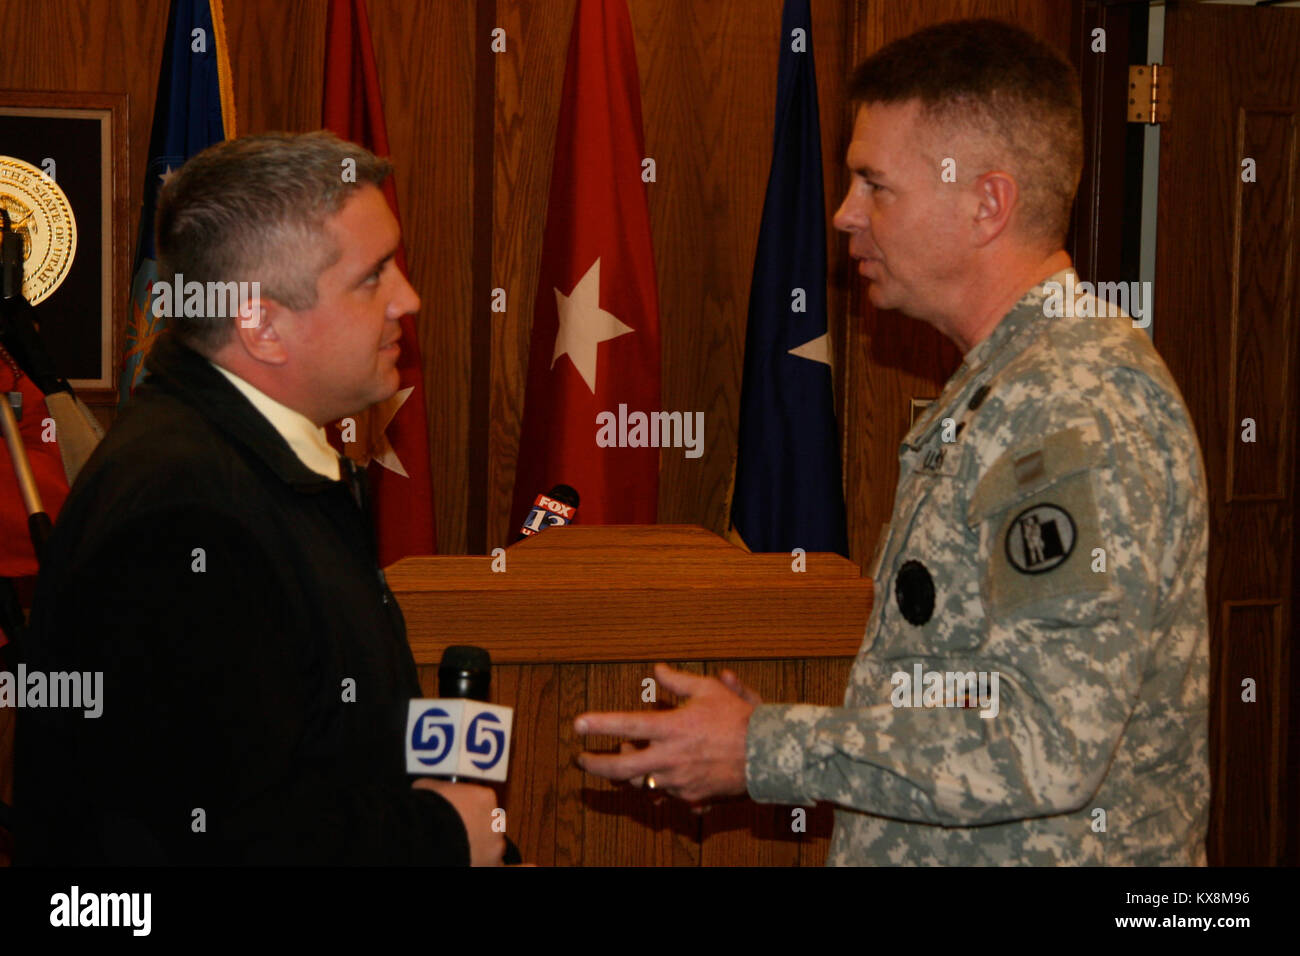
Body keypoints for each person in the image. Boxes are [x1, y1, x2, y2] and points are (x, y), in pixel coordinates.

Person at [575, 19, 1209, 865]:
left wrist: (765, 748)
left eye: (876, 185)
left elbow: (1046, 742)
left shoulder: (1070, 406)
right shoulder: (1012, 380)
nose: (844, 215)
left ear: (988, 202)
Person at [14, 132, 504, 865]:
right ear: (261, 324)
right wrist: (441, 838)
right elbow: (226, 840)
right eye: (373, 276)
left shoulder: (242, 458)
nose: (409, 298)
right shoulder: (187, 514)